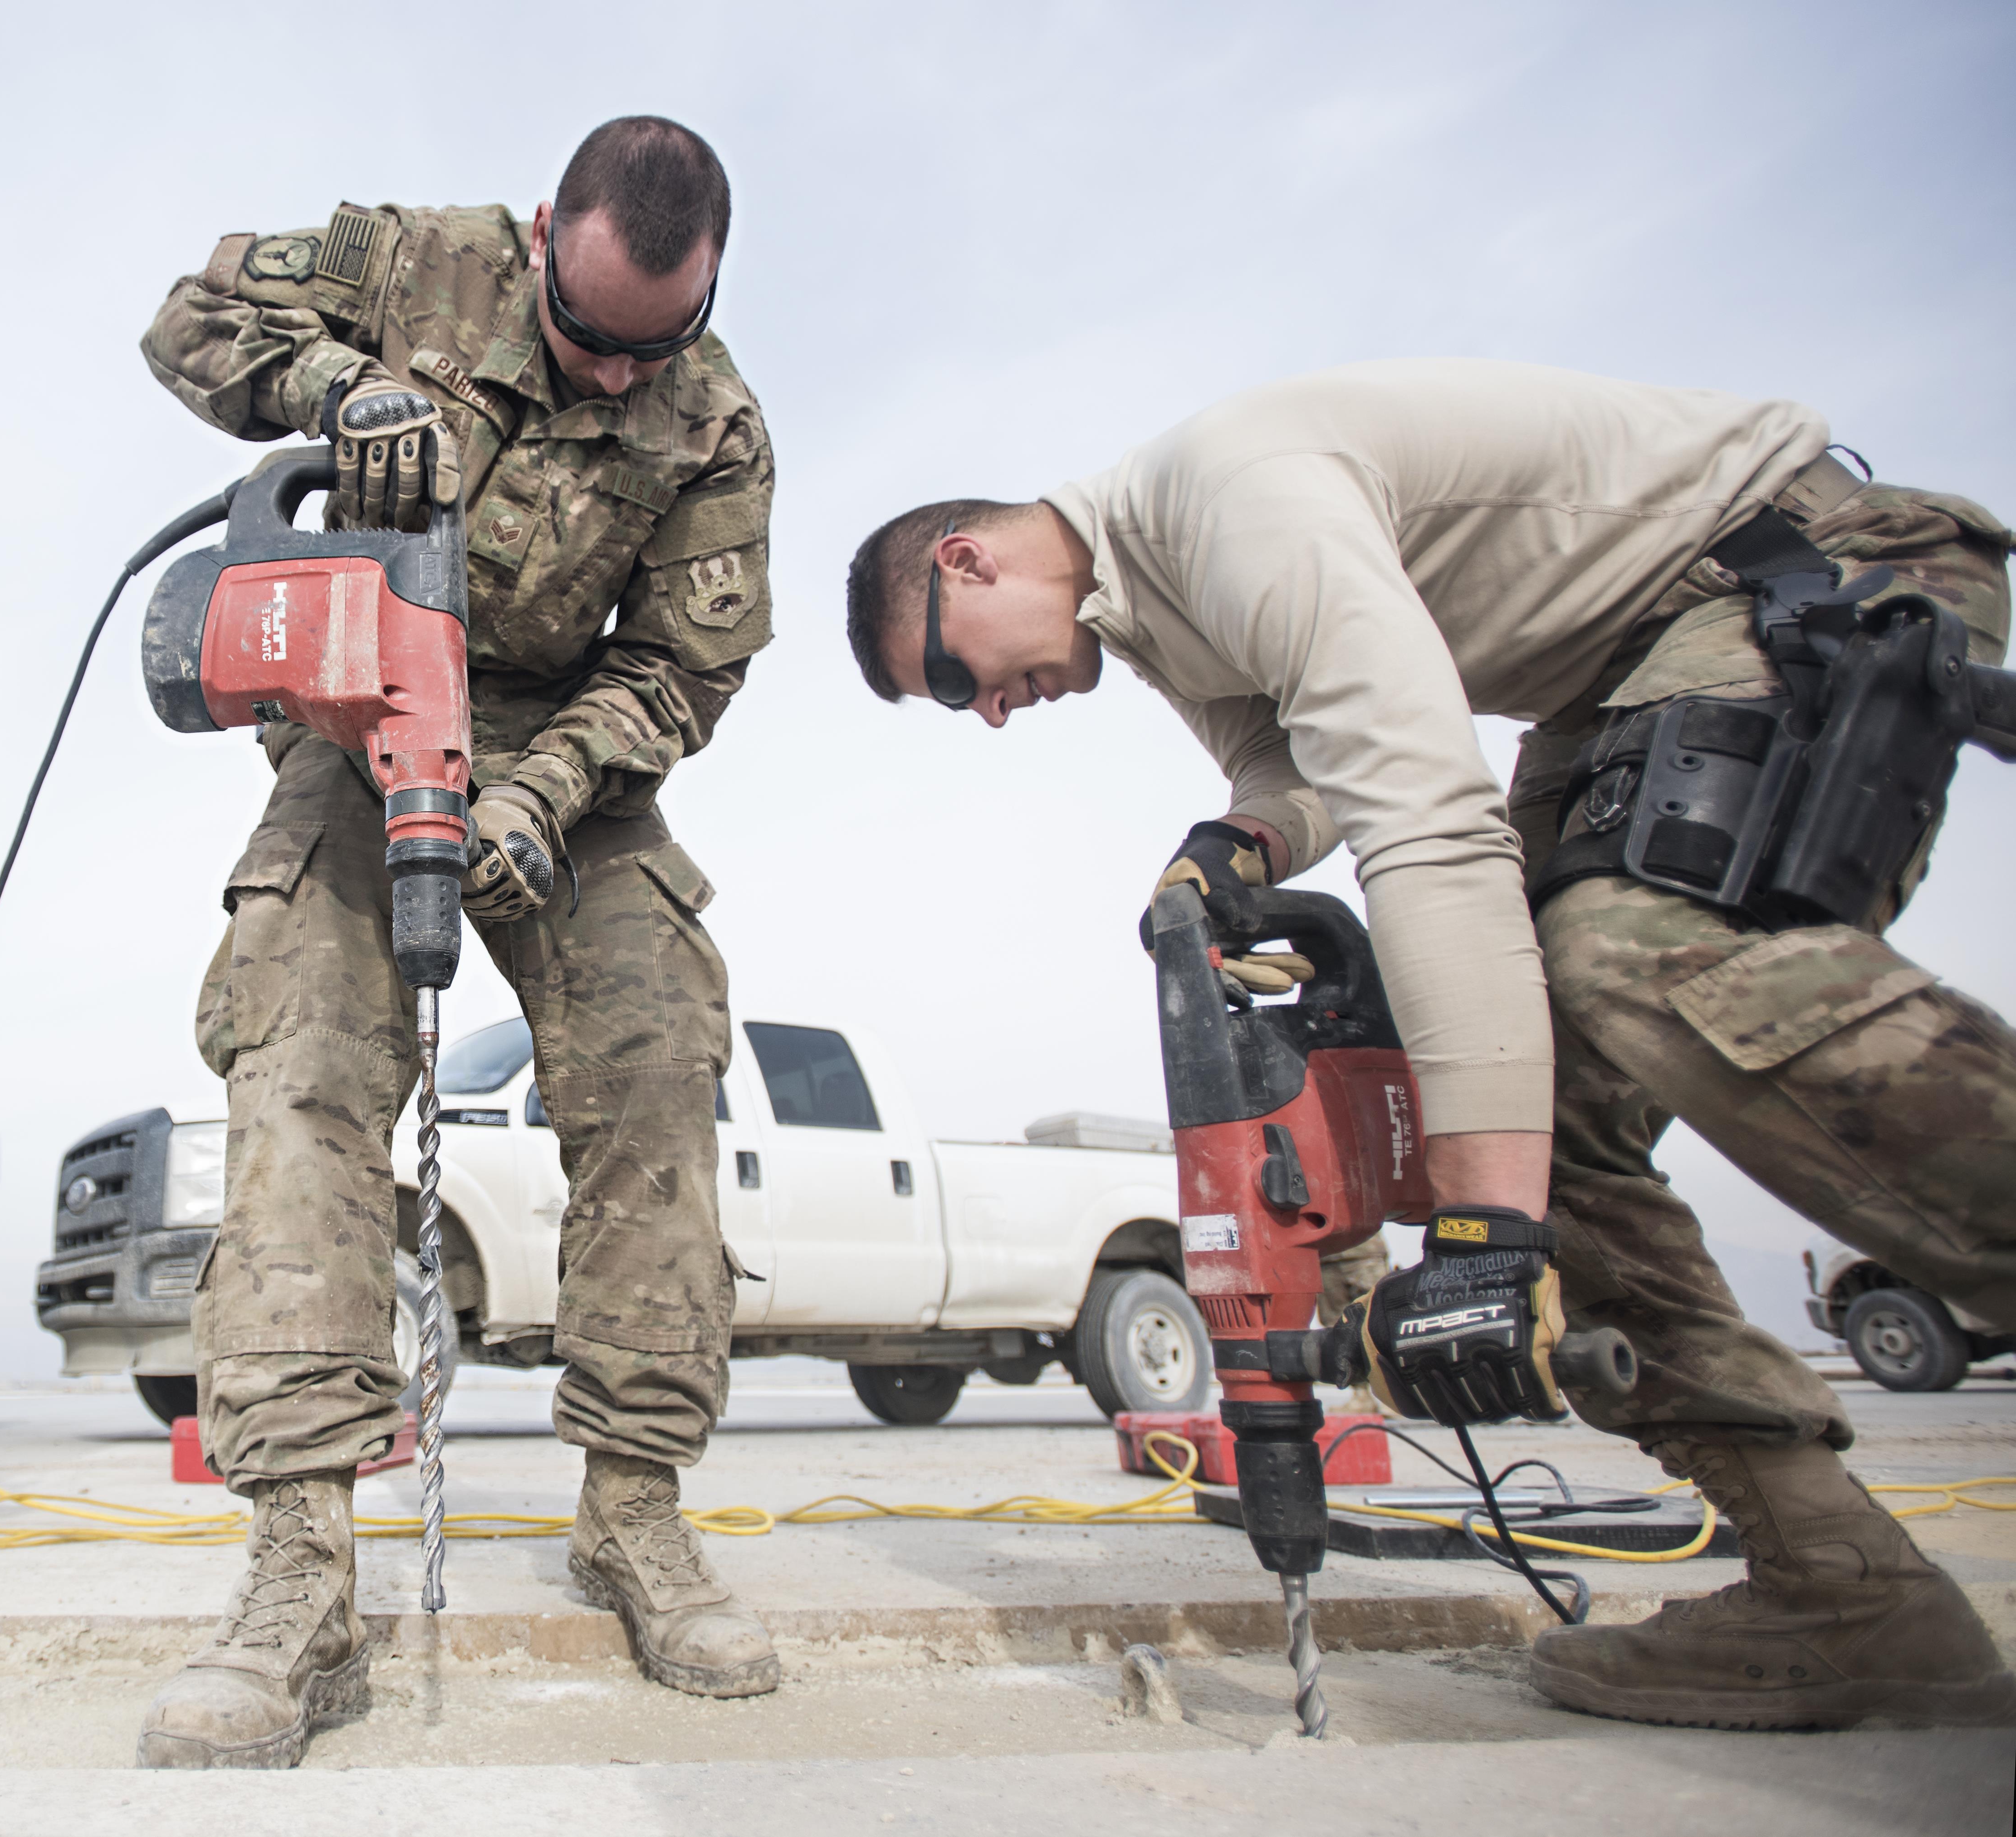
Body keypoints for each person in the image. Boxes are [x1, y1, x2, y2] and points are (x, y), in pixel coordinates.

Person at [842, 357, 2015, 1730]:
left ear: (967, 563)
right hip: (1615, 682)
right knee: (1526, 1074)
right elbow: (1305, 765)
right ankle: (1841, 1583)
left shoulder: (1225, 509)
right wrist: (1243, 842)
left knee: (1627, 960)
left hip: (1798, 571)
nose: (986, 710)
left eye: (949, 676)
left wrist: (1479, 1239)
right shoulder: (1161, 615)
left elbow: (1429, 825)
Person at [134, 115, 778, 1766]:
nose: (624, 377)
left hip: (574, 763)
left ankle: (633, 1514)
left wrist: (543, 794)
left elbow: (686, 671)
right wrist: (336, 394)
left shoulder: (716, 426)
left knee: (657, 1067)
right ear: (547, 231)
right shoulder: (412, 258)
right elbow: (188, 323)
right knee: (304, 1076)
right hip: (359, 723)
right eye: (592, 337)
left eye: (663, 344)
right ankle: (301, 1579)